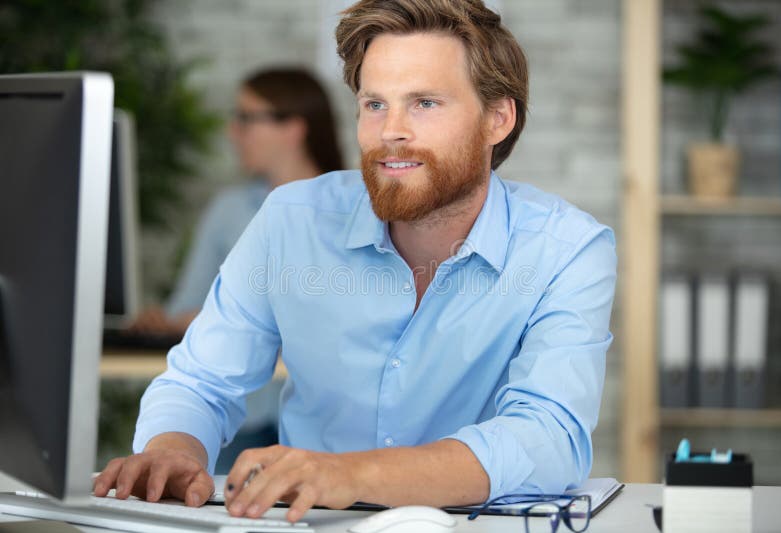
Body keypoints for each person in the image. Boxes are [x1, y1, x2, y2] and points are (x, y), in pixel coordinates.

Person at [94, 0, 617, 524]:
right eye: (374, 104)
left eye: (425, 103)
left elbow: (548, 435)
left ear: (497, 119)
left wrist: (350, 475)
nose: (391, 130)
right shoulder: (290, 220)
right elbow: (202, 383)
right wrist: (173, 453)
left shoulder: (567, 248)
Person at [128, 67, 343, 336]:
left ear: (293, 129)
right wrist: (161, 324)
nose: (233, 131)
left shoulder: (350, 210)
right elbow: (186, 308)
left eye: (246, 118)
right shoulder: (228, 209)